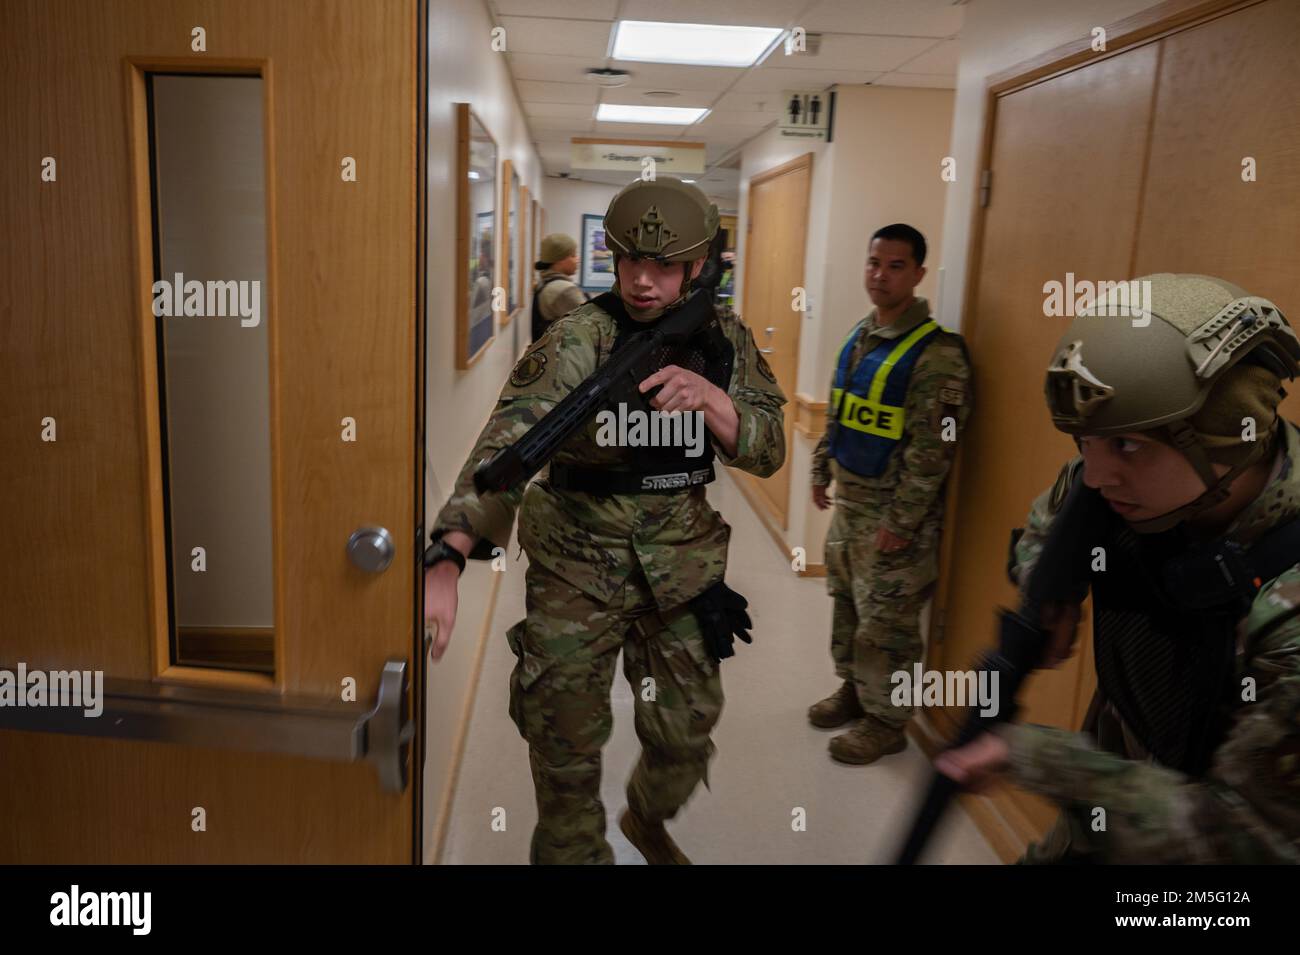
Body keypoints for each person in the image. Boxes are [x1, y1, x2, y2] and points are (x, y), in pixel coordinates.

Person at [424, 176, 787, 864]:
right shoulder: (576, 339)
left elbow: (769, 448)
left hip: (681, 571)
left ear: (699, 266)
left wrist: (713, 399)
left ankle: (645, 818)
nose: (644, 281)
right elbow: (506, 449)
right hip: (574, 573)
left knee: (686, 732)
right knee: (563, 745)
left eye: (665, 267)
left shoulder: (724, 338)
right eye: (630, 262)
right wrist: (448, 552)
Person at [935, 273, 1300, 863]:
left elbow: (1241, 837)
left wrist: (1034, 757)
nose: (1097, 475)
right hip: (1121, 769)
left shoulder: (1291, 602)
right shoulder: (1122, 482)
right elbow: (1047, 525)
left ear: (1224, 436)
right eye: (1086, 443)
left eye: (1127, 446)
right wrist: (1047, 589)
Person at [808, 224, 972, 765]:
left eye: (896, 265)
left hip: (894, 518)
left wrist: (901, 522)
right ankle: (855, 690)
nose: (880, 274)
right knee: (849, 609)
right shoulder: (861, 336)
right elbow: (841, 408)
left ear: (919, 274)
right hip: (851, 506)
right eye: (874, 262)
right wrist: (819, 467)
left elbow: (934, 450)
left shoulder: (937, 354)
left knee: (889, 627)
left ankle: (888, 721)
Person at [531, 233, 588, 342]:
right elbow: (592, 328)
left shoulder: (545, 283)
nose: (577, 259)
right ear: (559, 260)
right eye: (573, 255)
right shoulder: (564, 290)